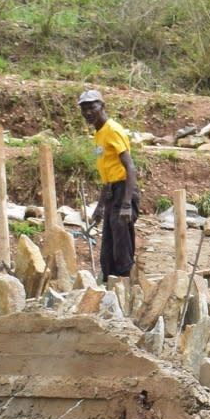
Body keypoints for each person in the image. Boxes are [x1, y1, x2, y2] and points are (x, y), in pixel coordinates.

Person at [79, 88, 140, 284]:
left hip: (124, 191)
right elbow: (107, 176)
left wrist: (127, 204)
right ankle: (109, 287)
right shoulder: (99, 134)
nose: (88, 112)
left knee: (122, 247)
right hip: (112, 193)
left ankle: (126, 288)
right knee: (108, 249)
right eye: (84, 109)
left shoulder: (113, 130)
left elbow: (130, 168)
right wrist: (99, 207)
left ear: (102, 106)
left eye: (92, 107)